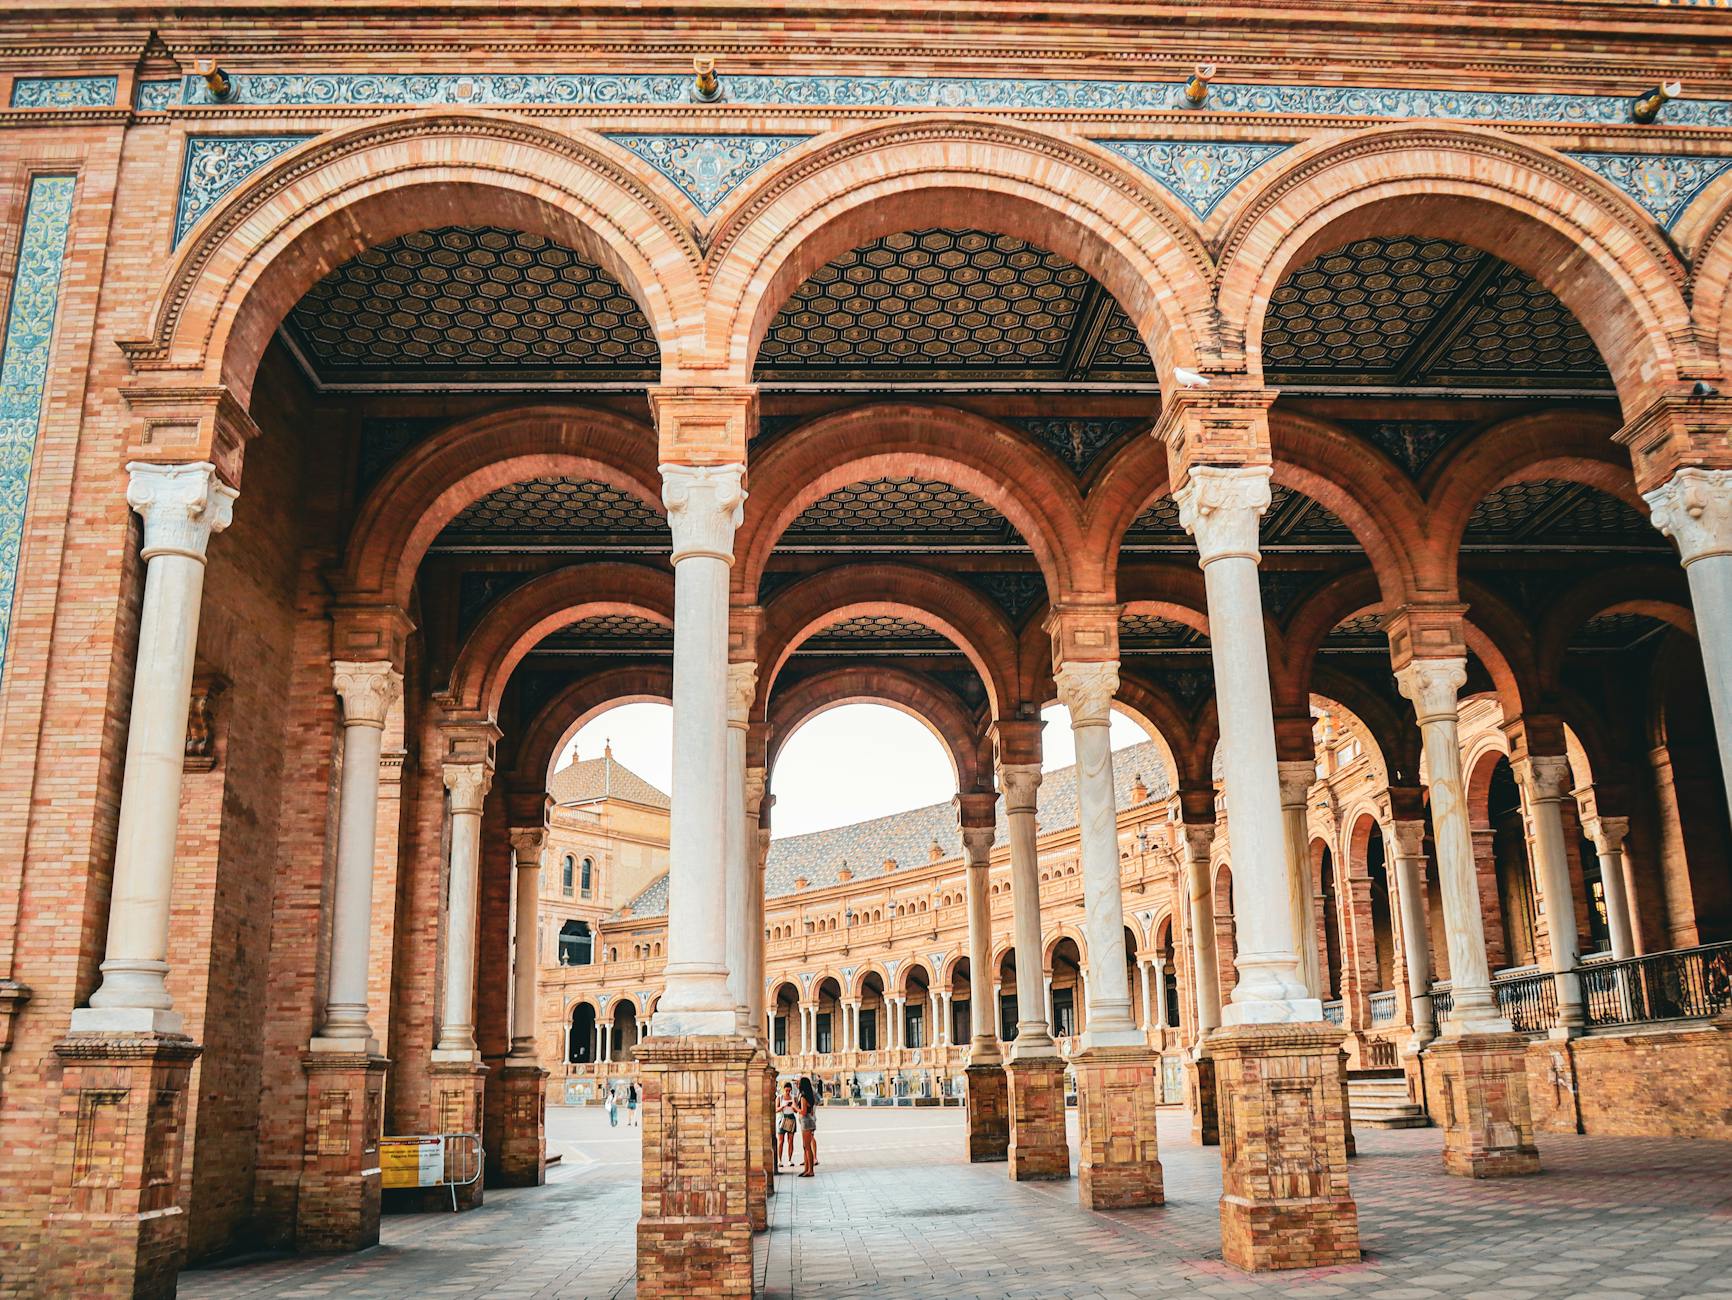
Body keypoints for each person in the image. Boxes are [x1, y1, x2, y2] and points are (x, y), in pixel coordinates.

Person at [797, 1076, 818, 1177]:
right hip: (808, 1121)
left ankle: (810, 1170)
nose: (797, 1084)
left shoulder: (803, 1096)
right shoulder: (809, 1095)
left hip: (806, 1121)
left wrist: (795, 1108)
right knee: (805, 1146)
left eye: (799, 1083)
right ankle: (806, 1169)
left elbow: (804, 1111)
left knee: (807, 1146)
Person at [776, 1081, 798, 1170]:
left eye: (789, 1091)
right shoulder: (780, 1097)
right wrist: (783, 1106)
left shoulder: (794, 1097)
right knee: (781, 1141)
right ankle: (779, 1160)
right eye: (786, 1091)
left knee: (790, 1141)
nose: (788, 1092)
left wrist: (793, 1107)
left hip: (791, 1118)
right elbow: (776, 1109)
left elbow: (796, 1111)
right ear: (783, 1090)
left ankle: (790, 1159)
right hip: (782, 1118)